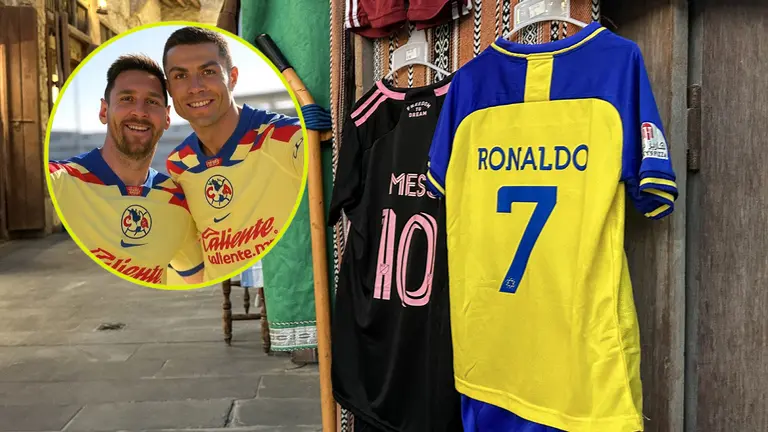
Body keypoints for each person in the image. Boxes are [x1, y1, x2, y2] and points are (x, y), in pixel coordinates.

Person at [163, 26, 305, 282]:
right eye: (180, 76)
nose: (195, 87)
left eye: (208, 72)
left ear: (233, 77)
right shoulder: (178, 163)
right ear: (169, 89)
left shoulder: (285, 137)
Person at [49, 54, 204, 286]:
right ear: (104, 111)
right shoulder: (61, 181)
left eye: (152, 102)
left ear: (167, 117)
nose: (139, 112)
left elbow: (198, 281)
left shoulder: (178, 200)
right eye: (127, 99)